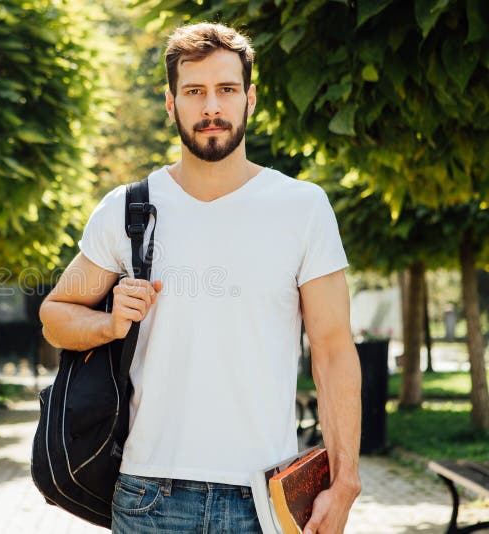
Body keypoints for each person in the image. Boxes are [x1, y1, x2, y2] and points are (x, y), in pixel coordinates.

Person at [39, 22, 361, 534]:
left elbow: (333, 350)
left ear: (249, 99)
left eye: (226, 90)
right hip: (149, 495)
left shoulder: (303, 208)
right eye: (194, 92)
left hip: (265, 500)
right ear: (171, 103)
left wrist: (344, 484)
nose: (211, 107)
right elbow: (54, 316)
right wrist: (109, 324)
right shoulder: (128, 209)